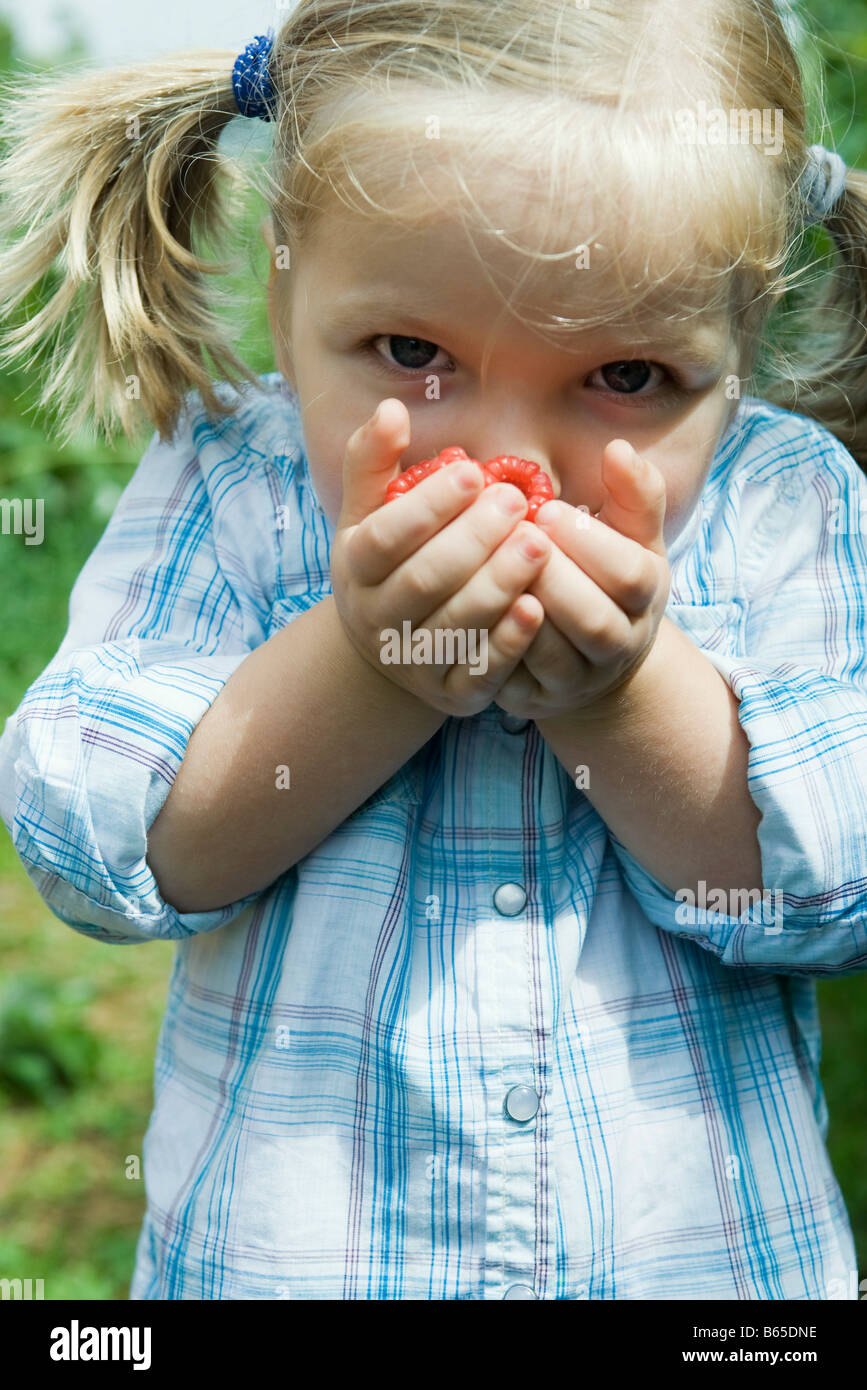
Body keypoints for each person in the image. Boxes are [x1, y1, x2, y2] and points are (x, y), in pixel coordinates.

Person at [0, 1, 866, 1301]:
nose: (504, 458)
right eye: (413, 354)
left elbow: (830, 889)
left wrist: (626, 703)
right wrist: (364, 670)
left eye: (627, 375)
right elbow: (106, 845)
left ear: (740, 348)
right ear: (288, 298)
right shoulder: (237, 482)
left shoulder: (779, 501)